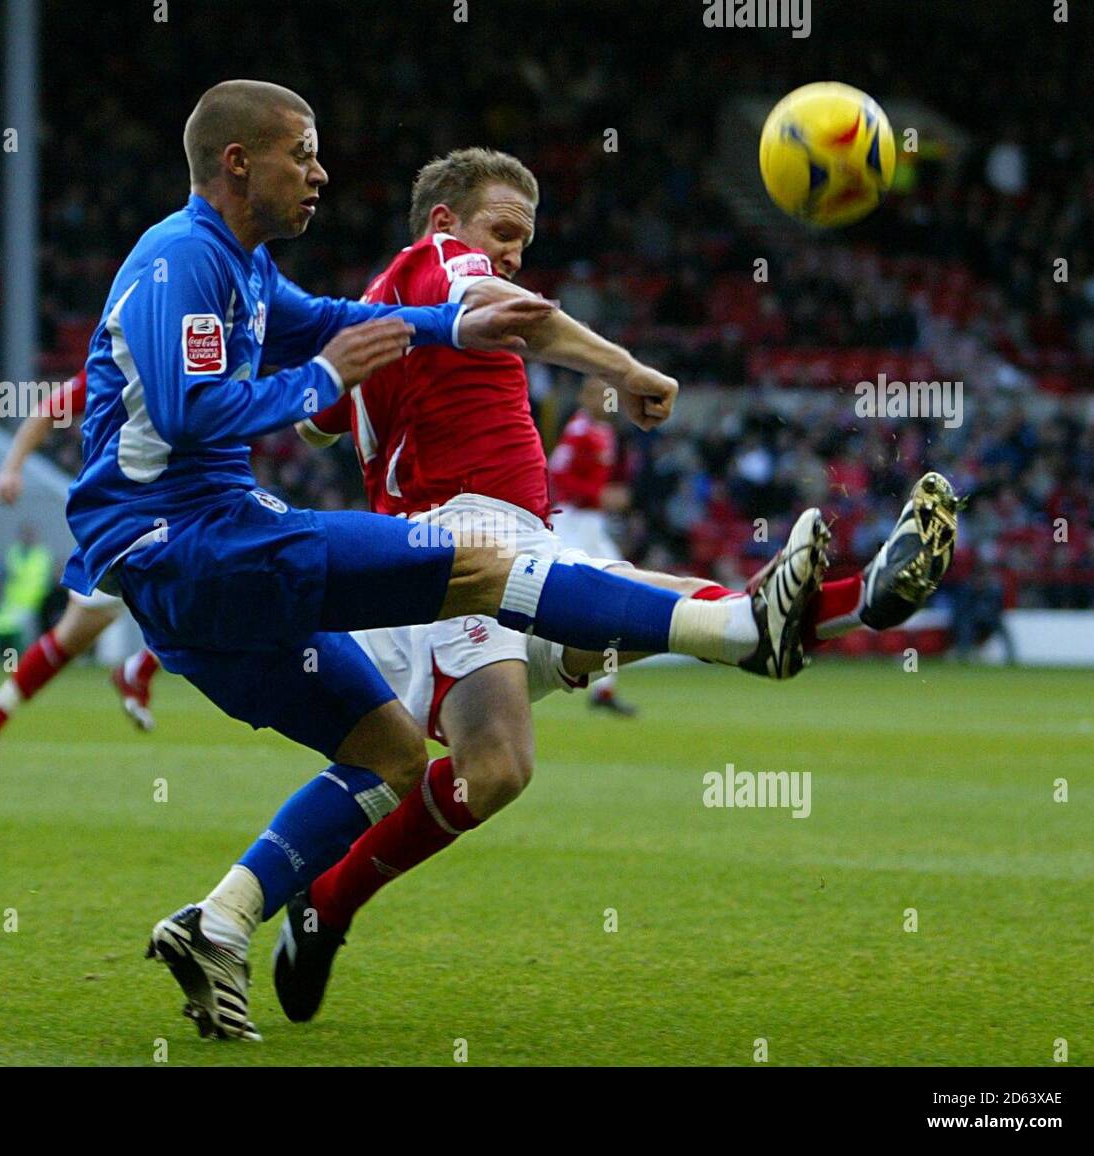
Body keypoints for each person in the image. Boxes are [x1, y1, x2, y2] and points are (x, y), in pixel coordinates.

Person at [65, 79, 828, 1041]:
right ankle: (738, 628)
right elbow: (188, 413)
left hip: (185, 575)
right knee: (471, 560)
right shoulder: (183, 258)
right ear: (237, 162)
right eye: (302, 152)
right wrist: (322, 378)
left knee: (387, 751)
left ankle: (218, 923)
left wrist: (447, 329)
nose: (319, 170)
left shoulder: (246, 270)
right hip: (195, 536)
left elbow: (338, 318)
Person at [269, 149, 962, 1024]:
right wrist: (626, 370)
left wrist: (355, 365)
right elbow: (513, 317)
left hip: (516, 540)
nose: (514, 252)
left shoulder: (383, 311)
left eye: (525, 237)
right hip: (459, 547)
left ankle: (848, 603)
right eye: (502, 231)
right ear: (446, 223)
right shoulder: (438, 264)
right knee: (499, 765)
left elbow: (318, 425)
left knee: (655, 604)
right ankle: (322, 906)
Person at [0, 368, 162, 781]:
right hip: (128, 515)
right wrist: (10, 468)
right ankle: (138, 668)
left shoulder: (183, 347)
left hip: (143, 513)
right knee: (213, 586)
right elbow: (50, 410)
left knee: (71, 638)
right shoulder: (125, 359)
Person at [548, 374, 638, 714]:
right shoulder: (578, 430)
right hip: (572, 521)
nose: (606, 402)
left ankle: (603, 688)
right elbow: (557, 476)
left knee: (618, 593)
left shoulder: (604, 432)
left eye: (609, 395)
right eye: (601, 395)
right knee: (604, 592)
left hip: (591, 524)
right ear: (586, 397)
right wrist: (598, 495)